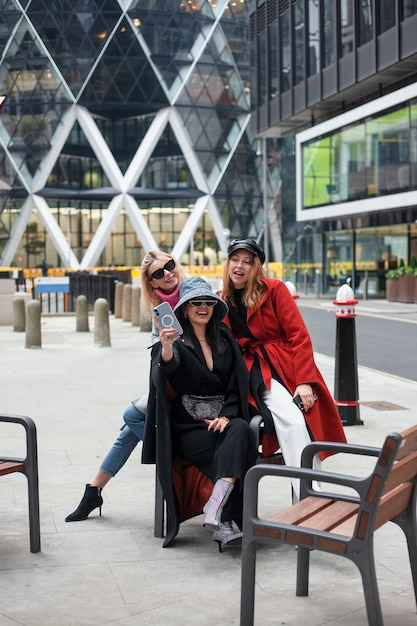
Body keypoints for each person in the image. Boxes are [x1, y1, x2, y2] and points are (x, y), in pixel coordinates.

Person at [65, 251, 187, 522]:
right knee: (129, 427)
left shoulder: (194, 293)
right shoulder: (158, 313)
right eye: (159, 273)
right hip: (172, 384)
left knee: (131, 417)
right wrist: (165, 343)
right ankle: (93, 491)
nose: (168, 273)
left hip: (194, 387)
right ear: (152, 284)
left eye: (169, 266)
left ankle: (171, 453)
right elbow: (159, 358)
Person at [222, 238, 347, 497]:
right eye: (235, 260)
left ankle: (310, 497)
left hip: (288, 367)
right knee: (293, 422)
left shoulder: (275, 289)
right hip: (256, 372)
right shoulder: (223, 300)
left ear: (256, 267)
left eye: (247, 261)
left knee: (303, 425)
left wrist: (304, 381)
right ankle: (310, 497)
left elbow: (298, 336)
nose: (240, 266)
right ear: (228, 263)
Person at [142, 277, 257, 550]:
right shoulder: (175, 341)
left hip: (220, 423)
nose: (203, 307)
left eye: (208, 302)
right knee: (239, 451)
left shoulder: (224, 338)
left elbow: (233, 388)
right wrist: (167, 346)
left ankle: (215, 506)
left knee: (240, 429)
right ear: (184, 308)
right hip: (188, 429)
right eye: (196, 303)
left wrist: (226, 417)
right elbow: (168, 367)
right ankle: (224, 521)